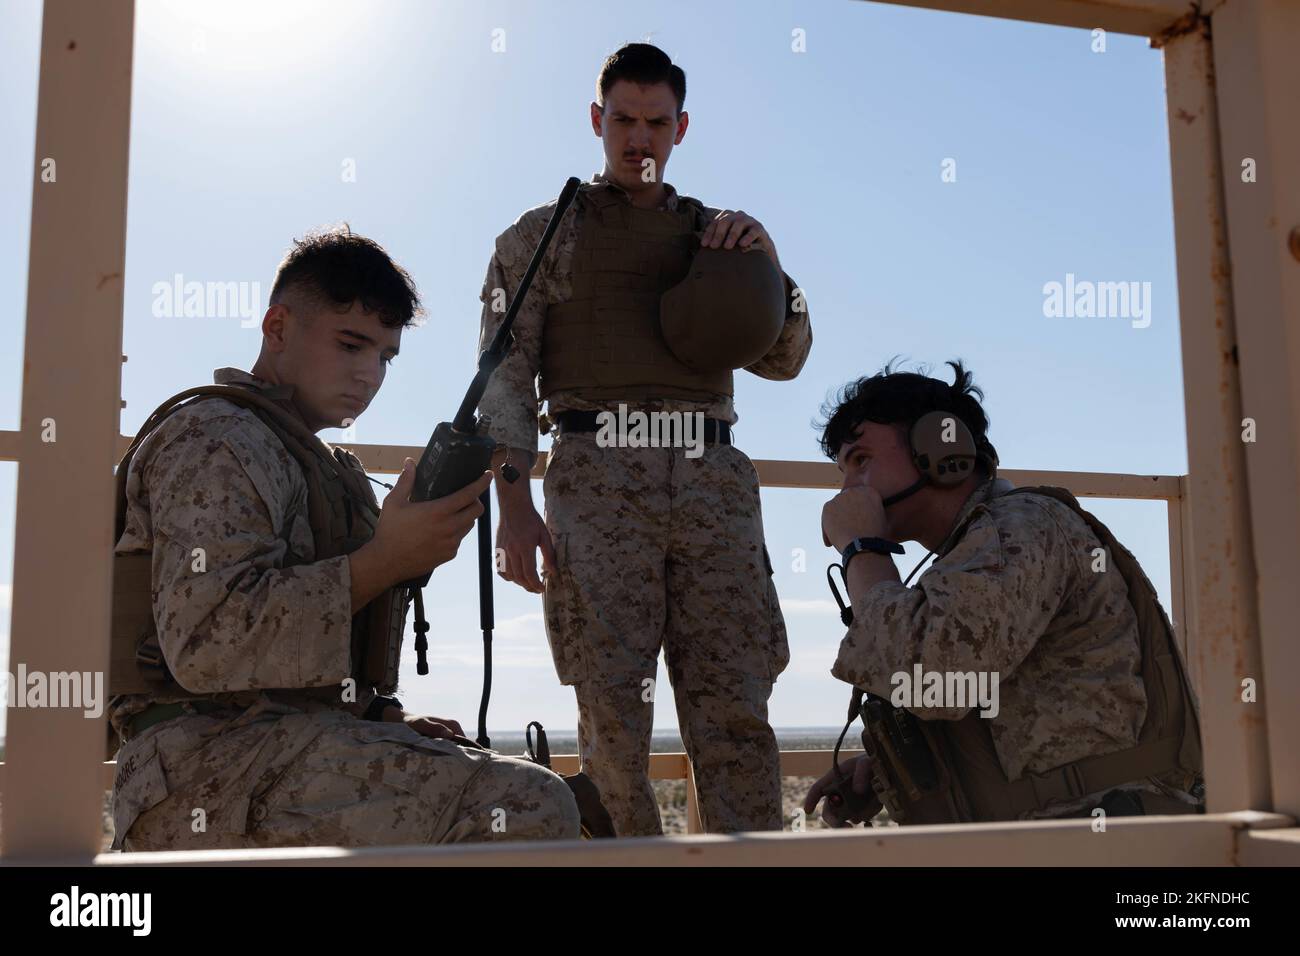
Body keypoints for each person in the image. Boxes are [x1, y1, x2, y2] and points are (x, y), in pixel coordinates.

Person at [109, 227, 580, 851]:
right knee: (528, 802)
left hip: (280, 749)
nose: (369, 374)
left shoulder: (319, 464)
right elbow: (206, 645)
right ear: (277, 329)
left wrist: (383, 714)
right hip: (203, 764)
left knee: (525, 782)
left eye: (385, 357)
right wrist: (383, 561)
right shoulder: (218, 439)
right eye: (351, 344)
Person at [479, 43, 812, 835]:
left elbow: (786, 358)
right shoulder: (539, 238)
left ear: (682, 128)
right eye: (623, 119)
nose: (639, 139)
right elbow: (504, 377)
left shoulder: (717, 236)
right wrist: (515, 507)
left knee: (735, 709)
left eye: (656, 122)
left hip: (712, 482)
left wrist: (770, 269)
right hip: (597, 482)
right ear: (597, 121)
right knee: (613, 721)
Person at [803, 361, 1204, 826]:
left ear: (939, 447)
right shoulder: (974, 553)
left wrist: (863, 549)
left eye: (860, 460)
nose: (847, 488)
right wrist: (897, 777)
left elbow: (934, 674)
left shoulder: (1021, 527)